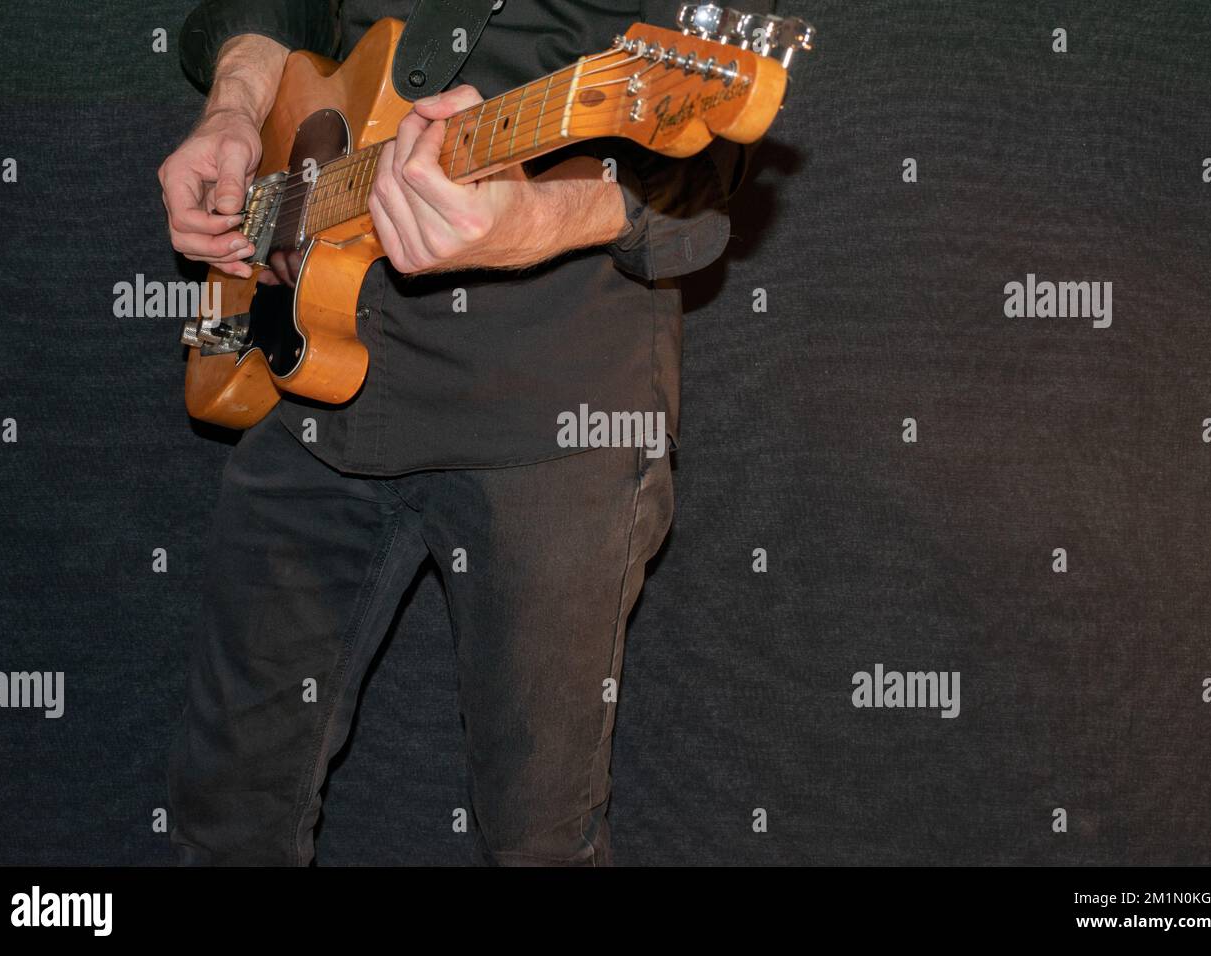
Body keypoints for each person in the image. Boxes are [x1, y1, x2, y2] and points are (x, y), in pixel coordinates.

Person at [160, 0, 770, 865]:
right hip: (306, 386)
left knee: (538, 841)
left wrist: (532, 223)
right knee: (224, 813)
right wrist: (233, 108)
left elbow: (710, 184)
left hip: (548, 408)